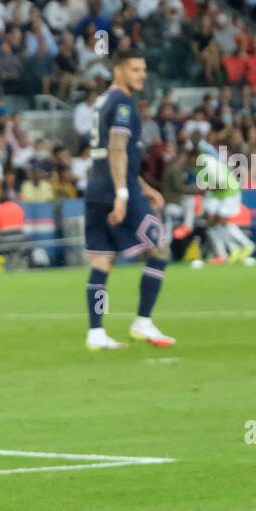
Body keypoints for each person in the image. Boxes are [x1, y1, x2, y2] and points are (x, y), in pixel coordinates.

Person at [83, 49, 176, 350]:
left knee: (101, 260)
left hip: (96, 189)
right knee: (159, 247)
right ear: (119, 70)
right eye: (135, 69)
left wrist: (144, 185)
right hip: (115, 191)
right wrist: (124, 194)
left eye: (143, 69)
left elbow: (110, 154)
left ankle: (96, 333)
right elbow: (118, 149)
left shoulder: (102, 102)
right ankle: (143, 322)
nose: (142, 75)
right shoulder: (123, 103)